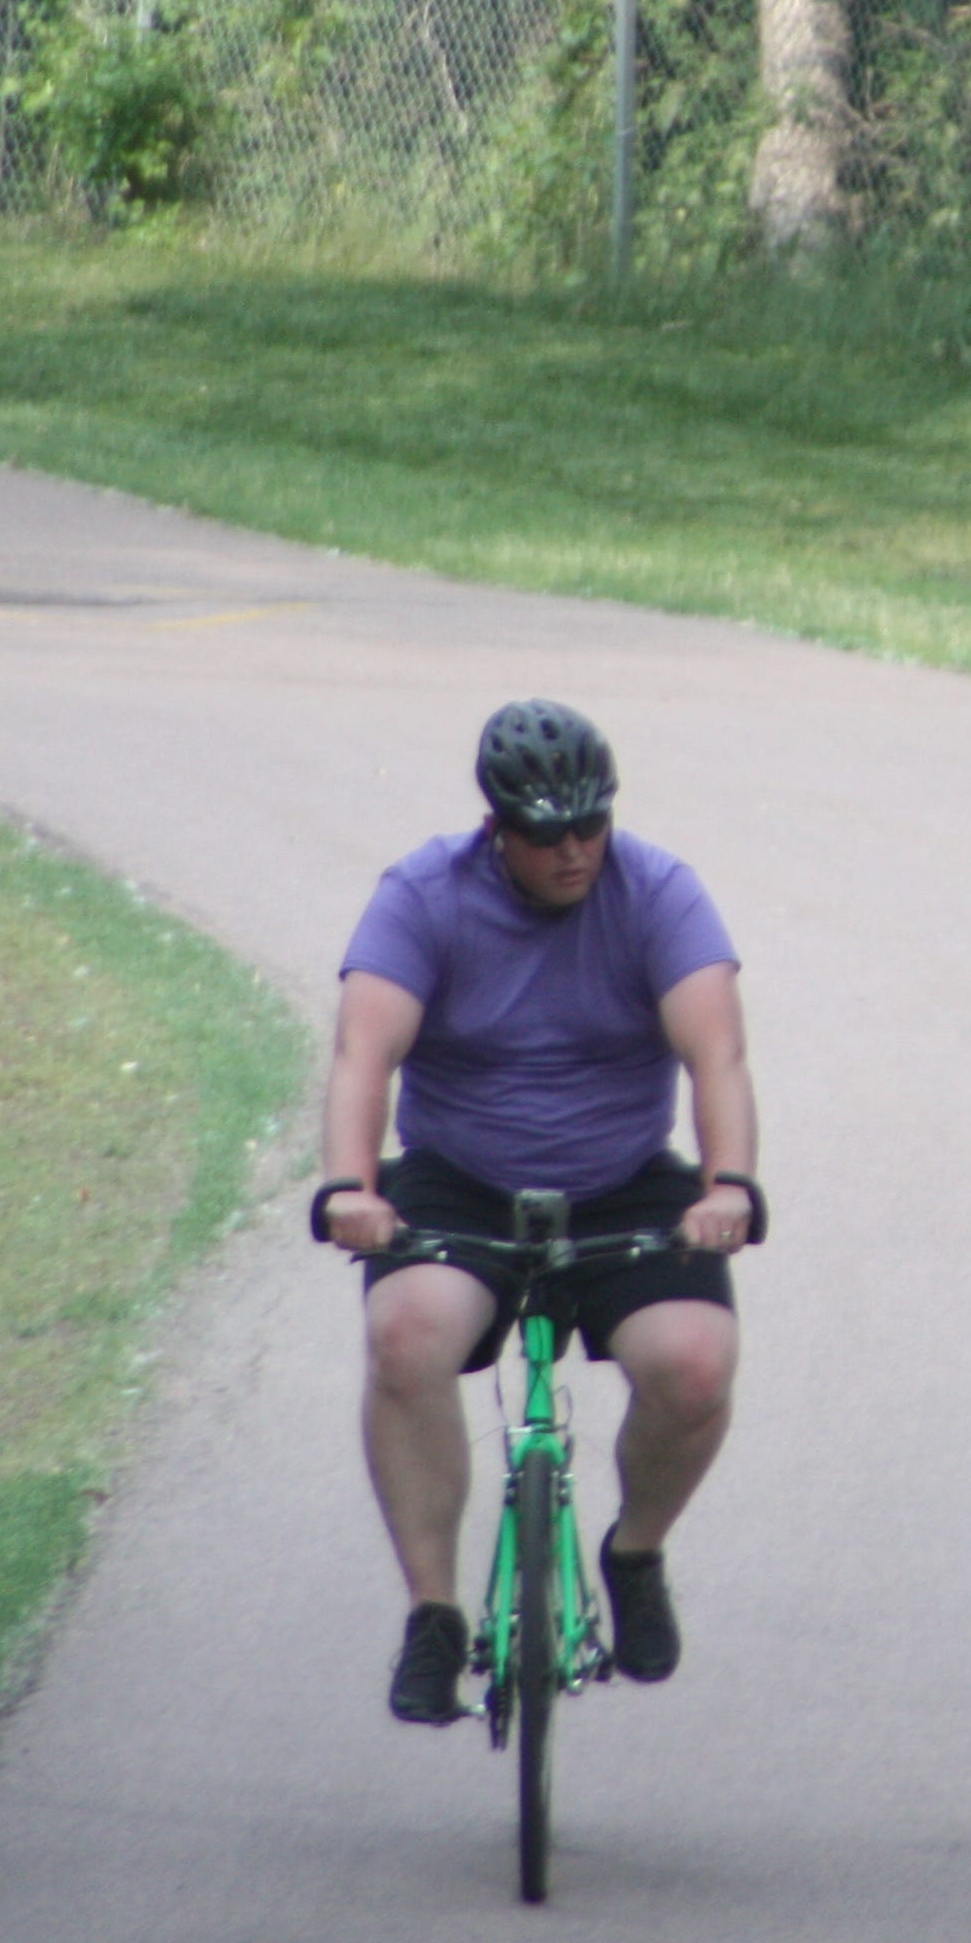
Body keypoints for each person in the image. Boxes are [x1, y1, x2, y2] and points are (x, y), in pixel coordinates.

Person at [310, 699, 763, 1725]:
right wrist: (351, 1188)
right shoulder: (423, 894)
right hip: (459, 1177)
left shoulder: (657, 891)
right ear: (496, 828)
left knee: (695, 1361)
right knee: (405, 1334)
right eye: (547, 833)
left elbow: (718, 1056)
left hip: (622, 1178)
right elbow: (362, 1055)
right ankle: (433, 1612)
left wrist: (727, 1184)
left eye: (590, 826)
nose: (573, 850)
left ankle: (636, 1549)